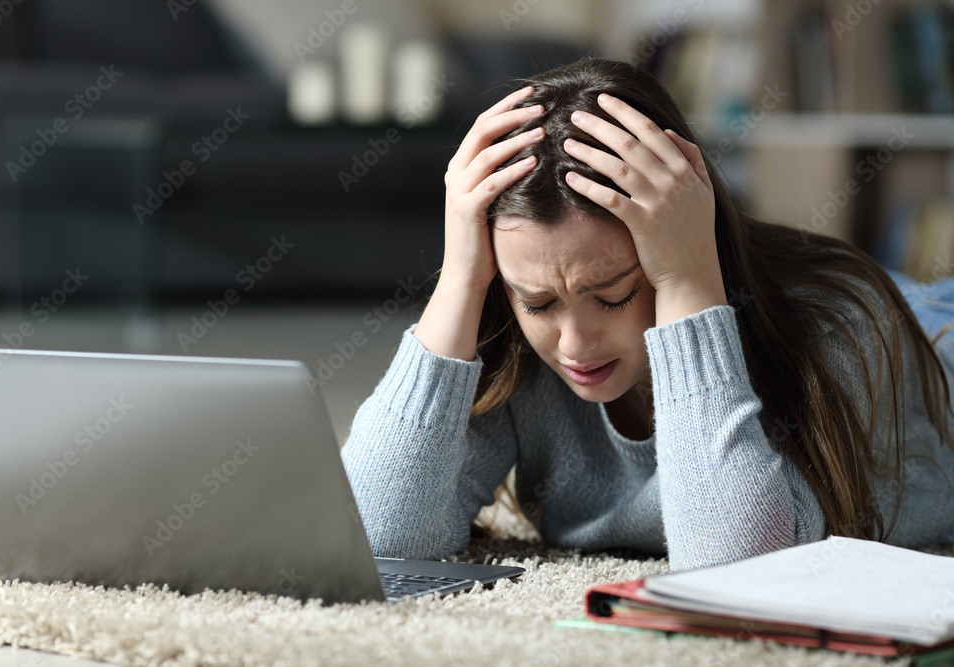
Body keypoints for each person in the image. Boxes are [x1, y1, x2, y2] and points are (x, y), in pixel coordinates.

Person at [339, 57, 954, 572]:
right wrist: (460, 279)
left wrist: (687, 279)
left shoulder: (835, 323)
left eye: (612, 296)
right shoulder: (517, 339)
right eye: (538, 302)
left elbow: (735, 567)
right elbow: (375, 535)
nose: (575, 344)